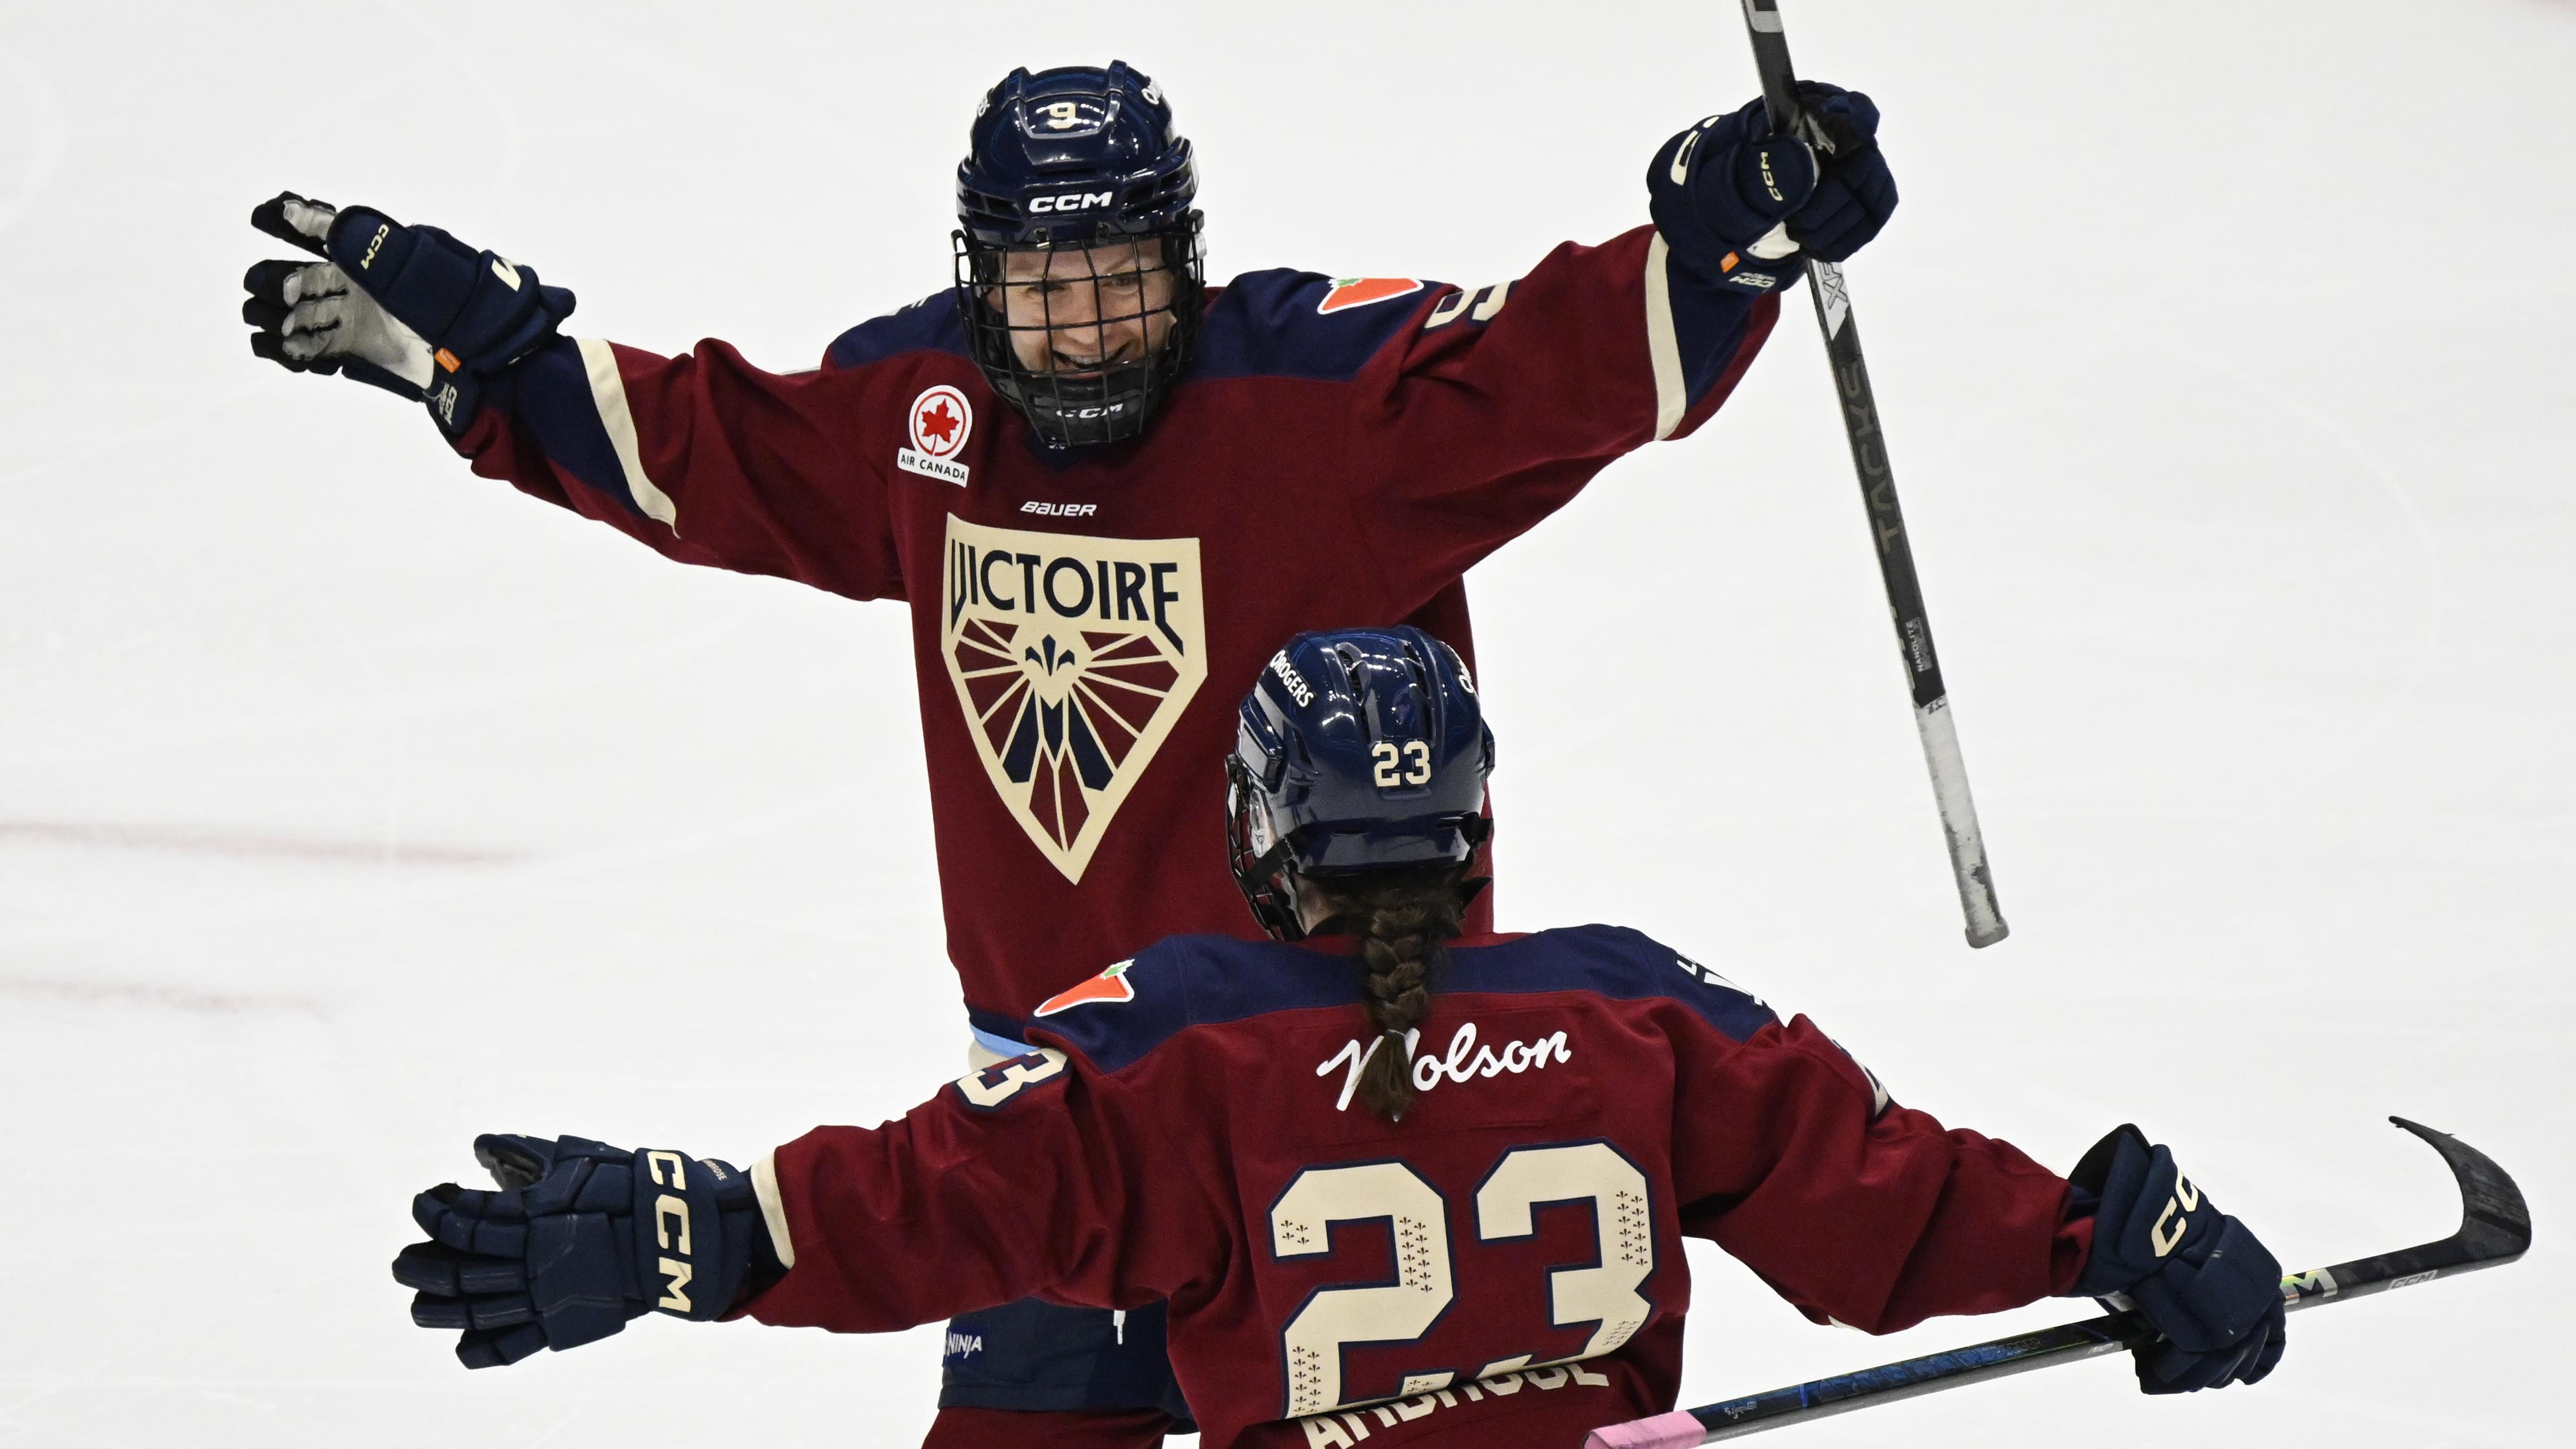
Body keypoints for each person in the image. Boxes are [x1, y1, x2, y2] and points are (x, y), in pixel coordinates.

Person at [247, 61, 1902, 1446]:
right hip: (1062, 1123)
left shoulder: (1325, 402)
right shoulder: (928, 410)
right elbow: (710, 448)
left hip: (1340, 1093)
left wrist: (1720, 239)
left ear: (1185, 261)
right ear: (981, 276)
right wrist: (487, 366)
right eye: (1042, 287)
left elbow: (1552, 363)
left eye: (1120, 279)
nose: (1086, 327)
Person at [391, 628, 2289, 1449]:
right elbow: (1880, 1192)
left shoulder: (1177, 1043)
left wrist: (705, 1234)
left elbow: (946, 1201)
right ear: (1468, 824)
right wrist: (2112, 1233)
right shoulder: (1629, 1006)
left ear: (1251, 829)